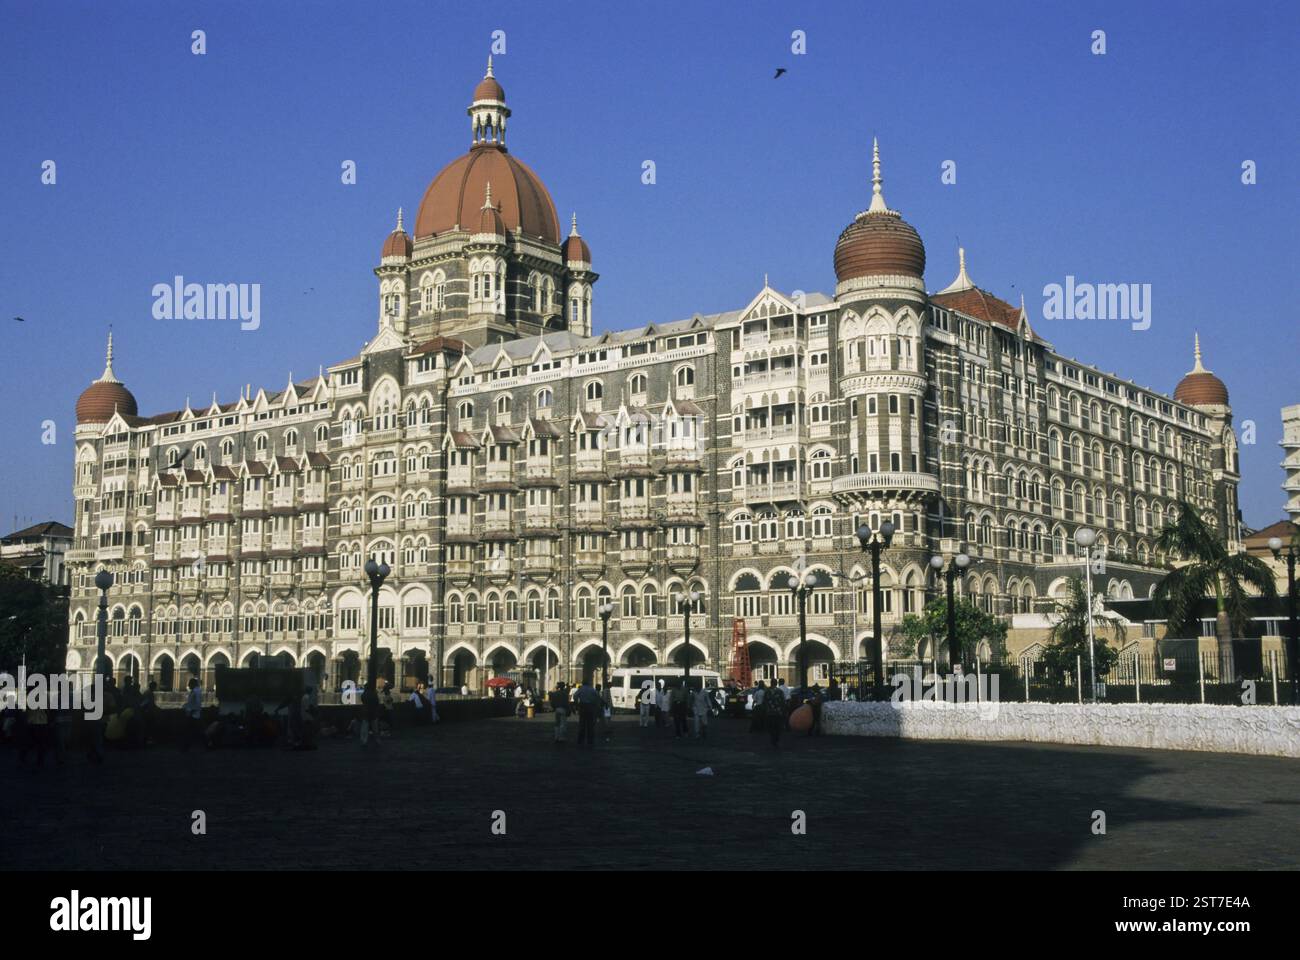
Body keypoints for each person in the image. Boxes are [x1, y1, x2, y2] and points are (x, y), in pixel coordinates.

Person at [575, 681, 601, 747]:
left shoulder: (581, 689)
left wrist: (577, 703)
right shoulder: (592, 689)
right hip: (590, 707)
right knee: (590, 725)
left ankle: (581, 740)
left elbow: (575, 696)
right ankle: (590, 740)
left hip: (582, 706)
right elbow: (597, 697)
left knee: (582, 724)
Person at [182, 677, 203, 752]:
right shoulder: (196, 691)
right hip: (194, 714)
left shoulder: (195, 692)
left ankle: (187, 747)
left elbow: (197, 704)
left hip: (193, 715)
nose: (188, 685)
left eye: (189, 684)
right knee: (192, 732)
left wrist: (191, 712)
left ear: (193, 684)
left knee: (189, 732)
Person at [765, 682, 786, 746]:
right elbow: (783, 701)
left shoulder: (767, 692)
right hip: (778, 712)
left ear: (771, 684)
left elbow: (765, 701)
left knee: (771, 727)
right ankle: (776, 738)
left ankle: (772, 739)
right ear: (776, 684)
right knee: (778, 727)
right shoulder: (780, 691)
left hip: (770, 712)